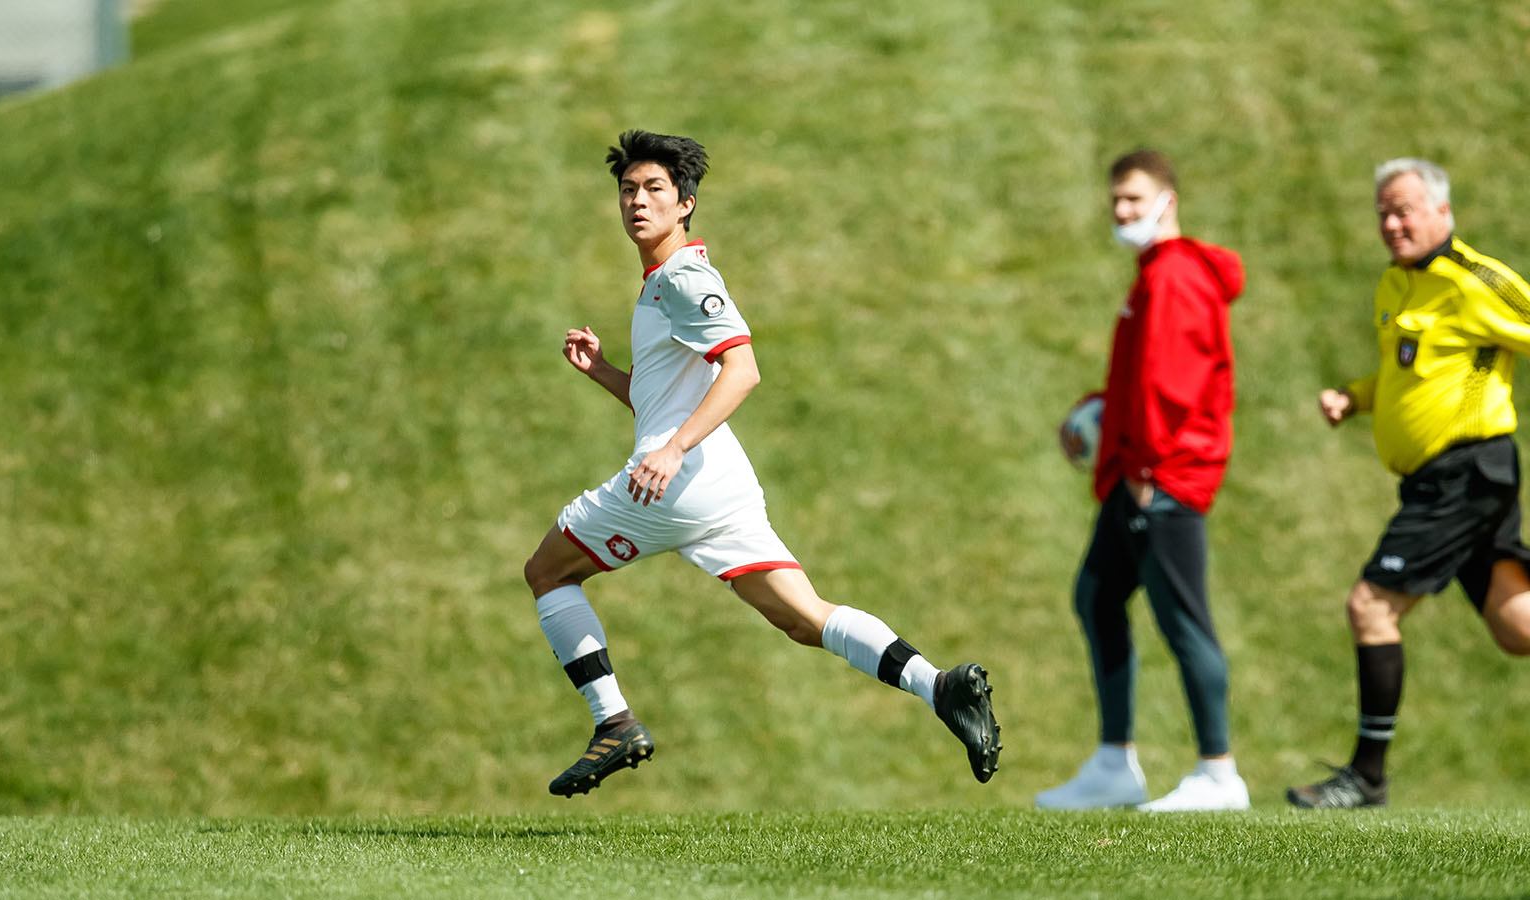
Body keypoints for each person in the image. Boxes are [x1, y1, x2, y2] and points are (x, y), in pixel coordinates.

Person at [522, 129, 1002, 798]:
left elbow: (742, 370)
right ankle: (939, 686)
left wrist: (673, 449)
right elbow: (666, 401)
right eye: (628, 190)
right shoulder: (662, 281)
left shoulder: (684, 277)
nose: (638, 201)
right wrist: (604, 371)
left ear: (686, 203)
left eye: (655, 189)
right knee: (804, 618)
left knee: (547, 572)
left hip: (676, 483)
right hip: (719, 484)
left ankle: (614, 722)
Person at [1288, 158, 1530, 809]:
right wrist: (1354, 397)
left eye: (1404, 211)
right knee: (1518, 627)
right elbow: (1407, 377)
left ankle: (1366, 777)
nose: (1392, 225)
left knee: (1371, 606)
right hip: (1439, 480)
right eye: (1383, 214)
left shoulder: (1473, 281)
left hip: (1466, 474)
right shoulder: (1396, 283)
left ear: (1443, 212)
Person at [1036, 149, 1249, 812]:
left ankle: (1219, 773)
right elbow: (1141, 377)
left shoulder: (1174, 277)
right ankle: (1114, 764)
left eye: (1133, 198)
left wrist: (1147, 471)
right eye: (1116, 201)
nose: (1123, 211)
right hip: (1141, 473)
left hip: (1162, 478)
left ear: (1167, 200)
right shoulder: (1156, 273)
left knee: (1185, 622)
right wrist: (1098, 410)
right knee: (1098, 595)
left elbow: (1171, 386)